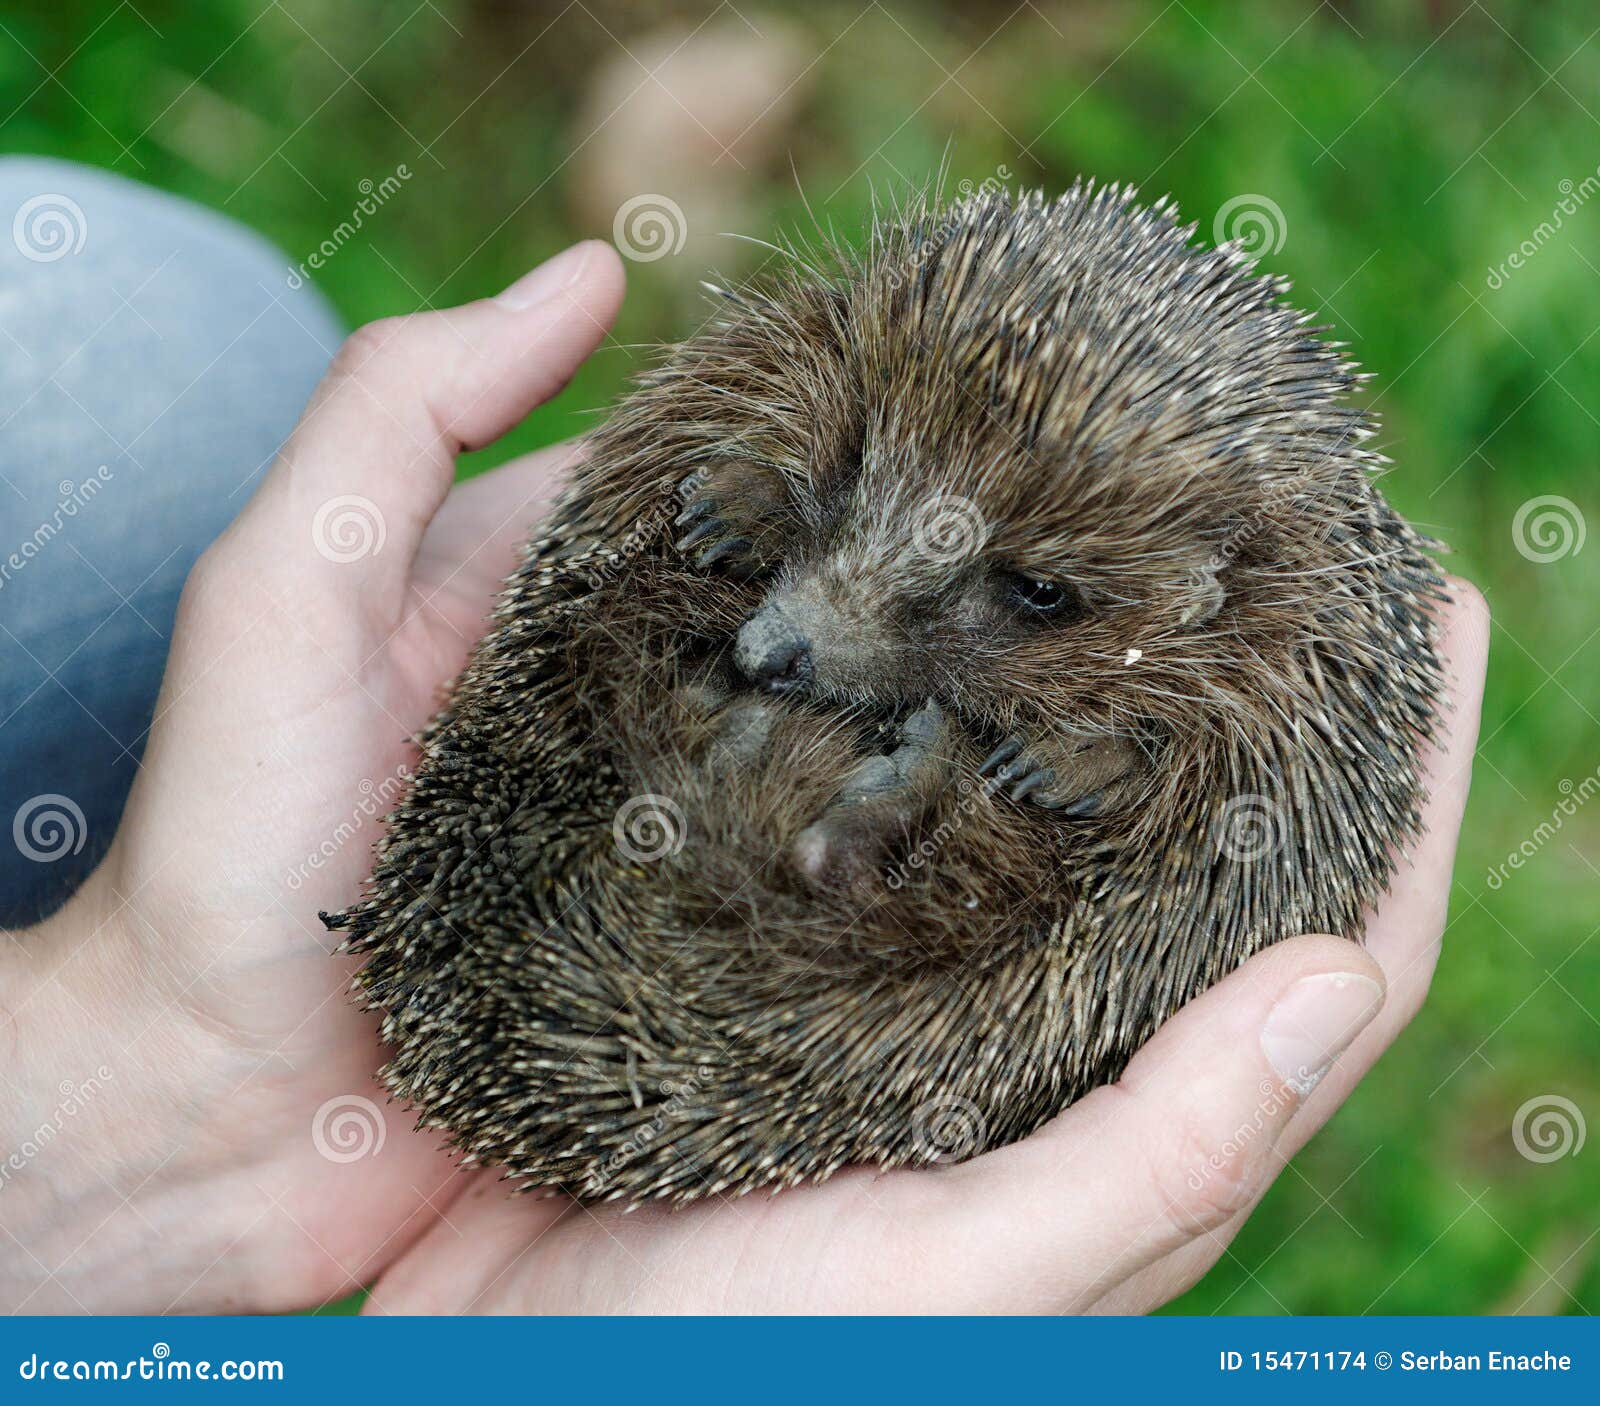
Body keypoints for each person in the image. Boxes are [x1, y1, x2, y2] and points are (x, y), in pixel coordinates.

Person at [0, 159, 1488, 1315]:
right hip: (624, 874)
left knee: (181, 349)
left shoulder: (1265, 683)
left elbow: (1153, 896)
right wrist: (162, 1039)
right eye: (844, 476)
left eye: (1028, 593)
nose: (793, 633)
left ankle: (832, 844)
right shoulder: (823, 386)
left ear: (1225, 594)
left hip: (865, 958)